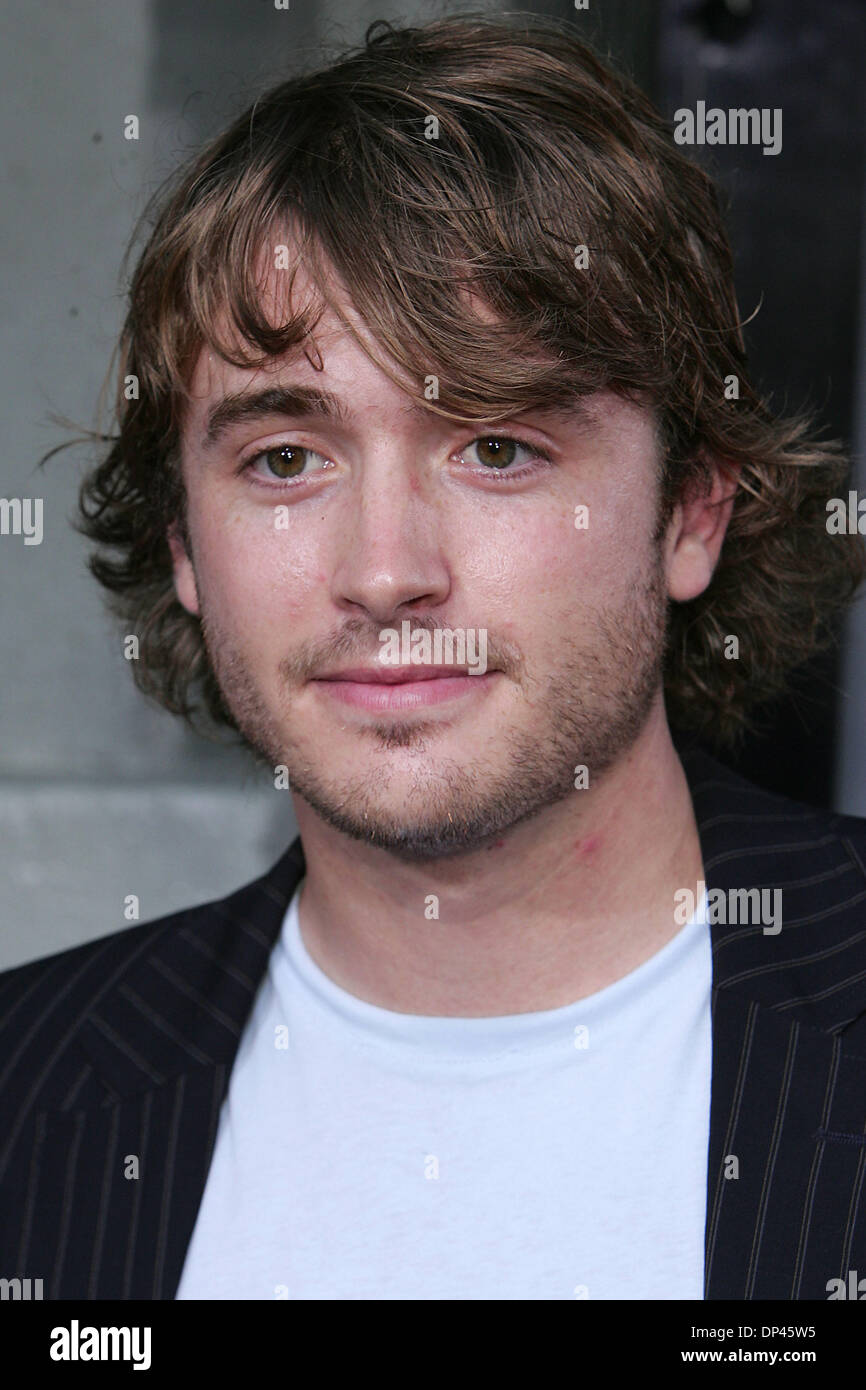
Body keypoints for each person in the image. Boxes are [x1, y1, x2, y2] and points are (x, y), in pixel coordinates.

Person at [2, 13, 865, 1302]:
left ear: (693, 510)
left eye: (498, 446)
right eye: (285, 458)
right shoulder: (29, 1093)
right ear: (184, 541)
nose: (387, 568)